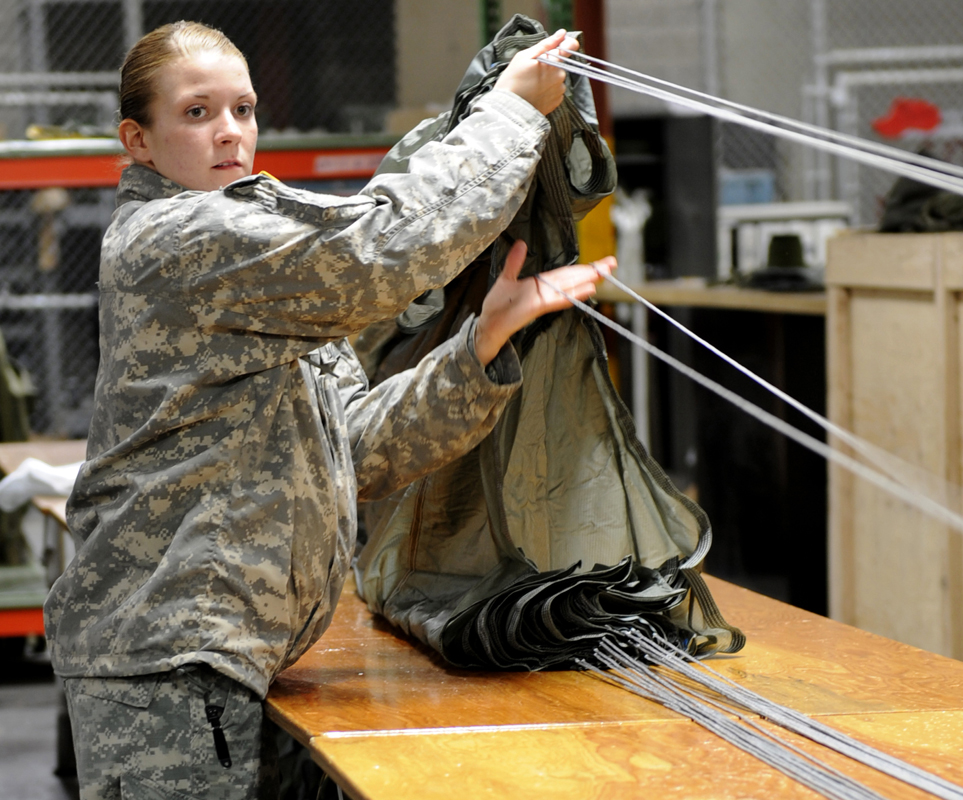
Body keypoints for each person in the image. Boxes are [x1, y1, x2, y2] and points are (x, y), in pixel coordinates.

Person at [43, 19, 615, 800]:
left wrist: (481, 345)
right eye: (197, 113)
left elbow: (357, 449)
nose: (229, 132)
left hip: (229, 659)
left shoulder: (263, 275)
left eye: (243, 110)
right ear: (137, 141)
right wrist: (511, 113)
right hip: (167, 669)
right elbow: (376, 251)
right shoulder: (176, 239)